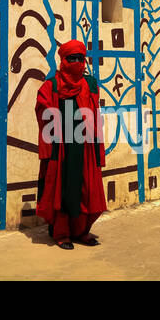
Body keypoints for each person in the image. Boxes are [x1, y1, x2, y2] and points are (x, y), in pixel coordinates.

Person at [35, 38, 107, 249]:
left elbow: (94, 113)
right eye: (72, 58)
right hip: (63, 147)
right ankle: (62, 233)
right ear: (63, 60)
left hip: (85, 146)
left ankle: (81, 231)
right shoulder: (52, 85)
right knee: (64, 190)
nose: (77, 62)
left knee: (86, 189)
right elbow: (42, 109)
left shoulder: (90, 84)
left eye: (80, 58)